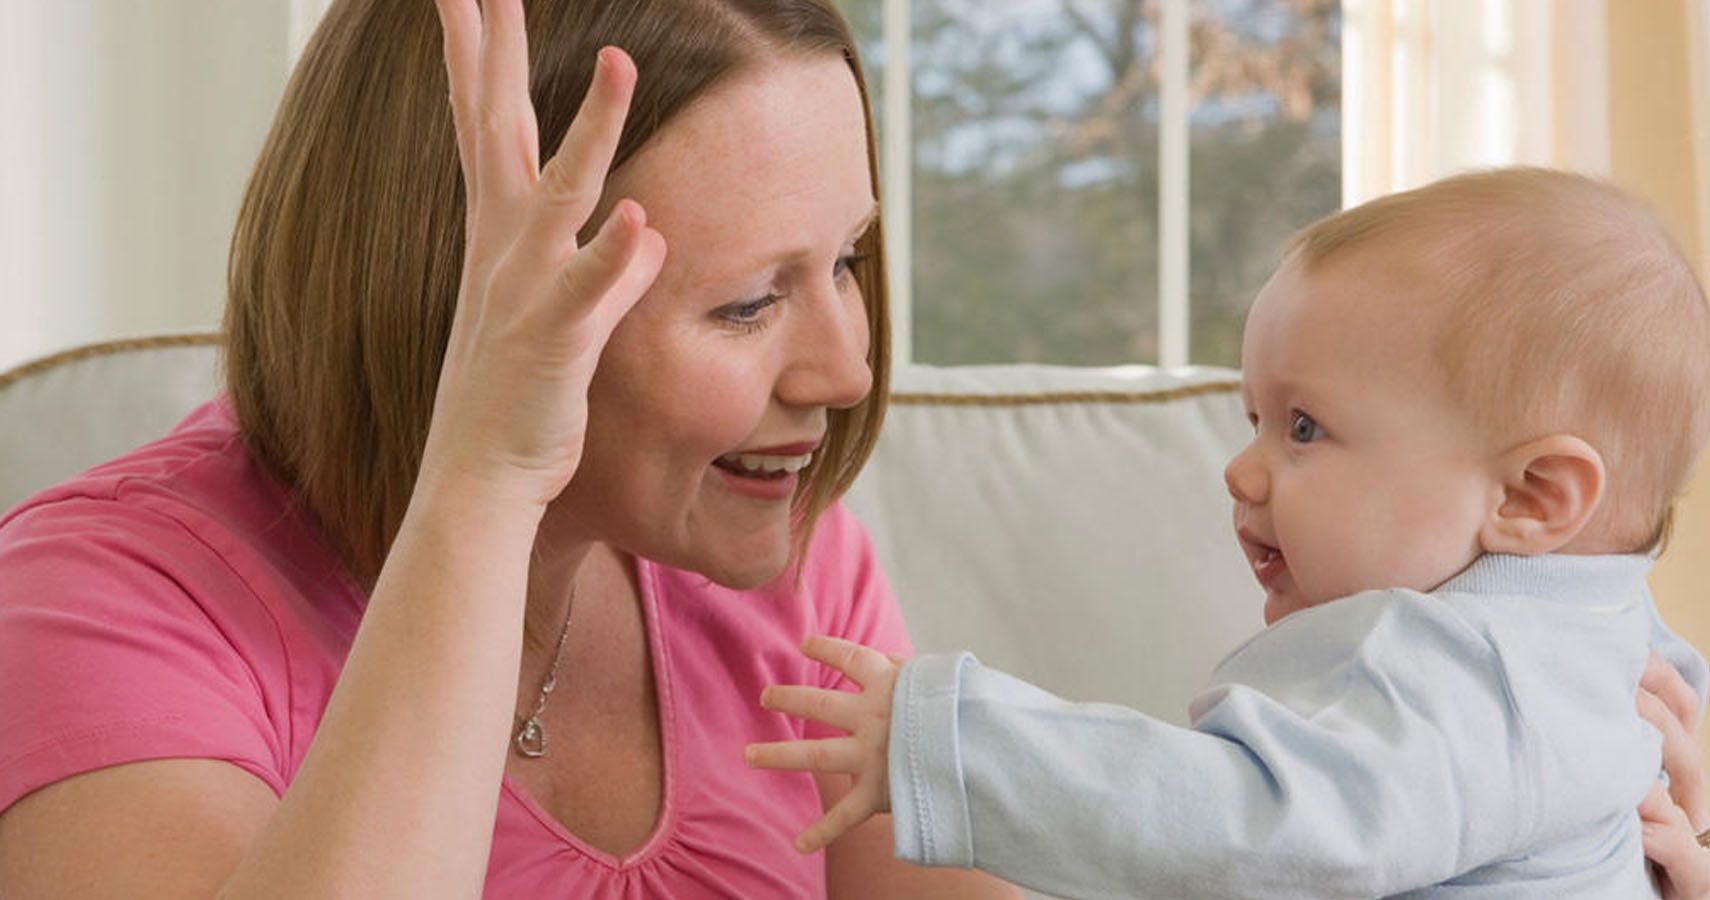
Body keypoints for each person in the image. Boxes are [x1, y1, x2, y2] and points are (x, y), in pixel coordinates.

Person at [0, 1, 1018, 897]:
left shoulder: (785, 562)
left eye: (848, 260)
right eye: (749, 303)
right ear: (462, 303)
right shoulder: (92, 605)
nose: (842, 373)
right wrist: (485, 479)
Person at [747, 167, 1710, 898]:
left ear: (1536, 496)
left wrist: (958, 742)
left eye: (1303, 428)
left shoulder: (1462, 665)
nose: (1242, 471)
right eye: (1255, 420)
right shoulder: (1598, 624)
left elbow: (1247, 821)